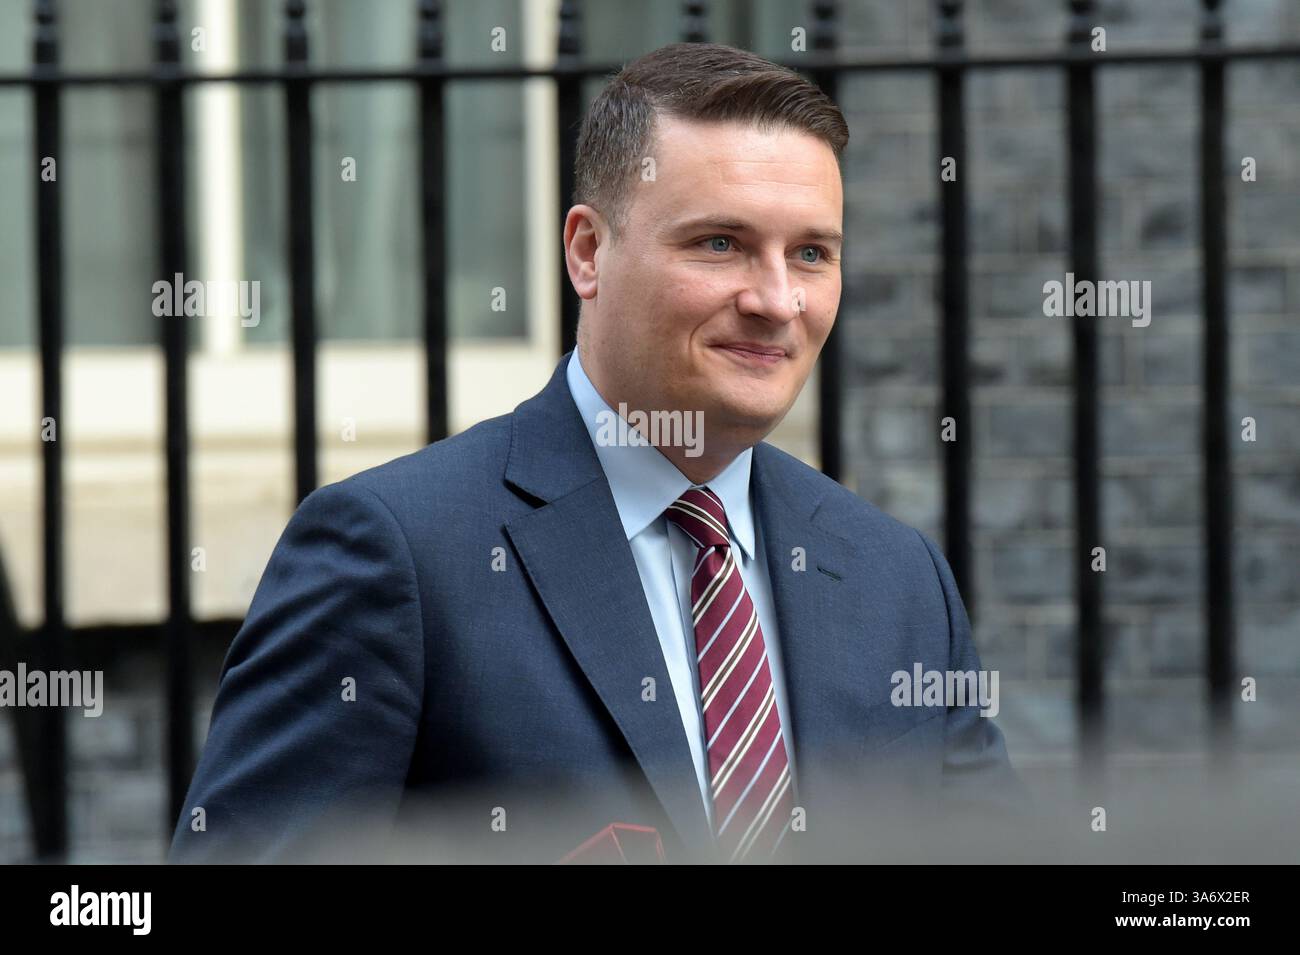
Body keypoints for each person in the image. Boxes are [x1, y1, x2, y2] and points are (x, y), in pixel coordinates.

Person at [169, 42, 1028, 866]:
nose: (777, 300)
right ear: (587, 251)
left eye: (811, 252)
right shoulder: (398, 556)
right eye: (719, 243)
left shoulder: (899, 578)